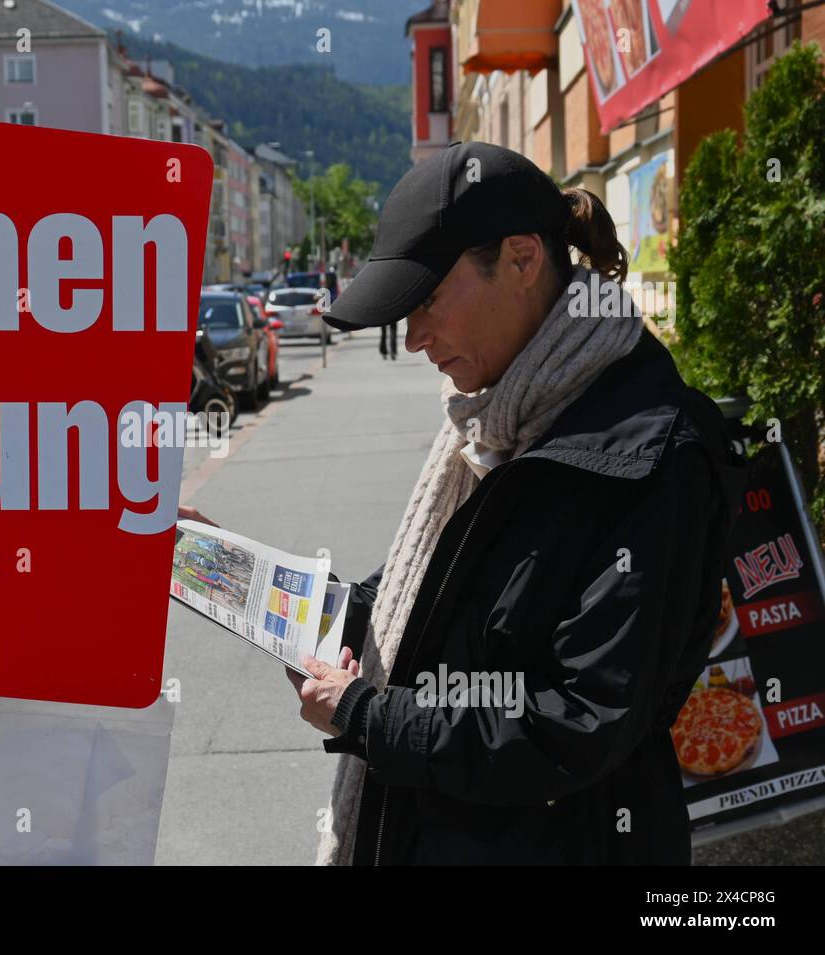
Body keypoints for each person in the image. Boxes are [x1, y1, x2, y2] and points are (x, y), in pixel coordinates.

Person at [281, 141, 745, 865]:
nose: (414, 339)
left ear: (524, 260)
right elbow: (433, 613)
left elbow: (575, 723)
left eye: (429, 299)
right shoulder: (496, 418)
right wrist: (277, 594)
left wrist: (367, 716)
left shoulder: (653, 457)